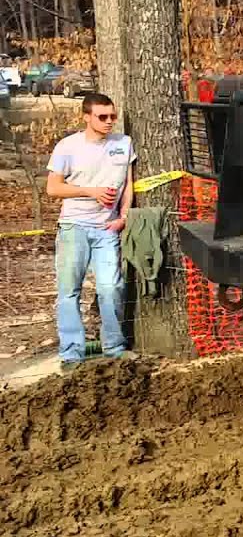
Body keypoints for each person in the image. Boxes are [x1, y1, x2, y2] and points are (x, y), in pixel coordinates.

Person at [45, 92, 135, 371]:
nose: (109, 122)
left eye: (113, 116)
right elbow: (53, 188)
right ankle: (71, 354)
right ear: (87, 117)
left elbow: (129, 184)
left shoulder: (124, 143)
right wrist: (90, 191)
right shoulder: (67, 147)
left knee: (111, 287)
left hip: (107, 229)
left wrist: (123, 217)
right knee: (69, 291)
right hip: (74, 227)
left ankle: (115, 349)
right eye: (102, 117)